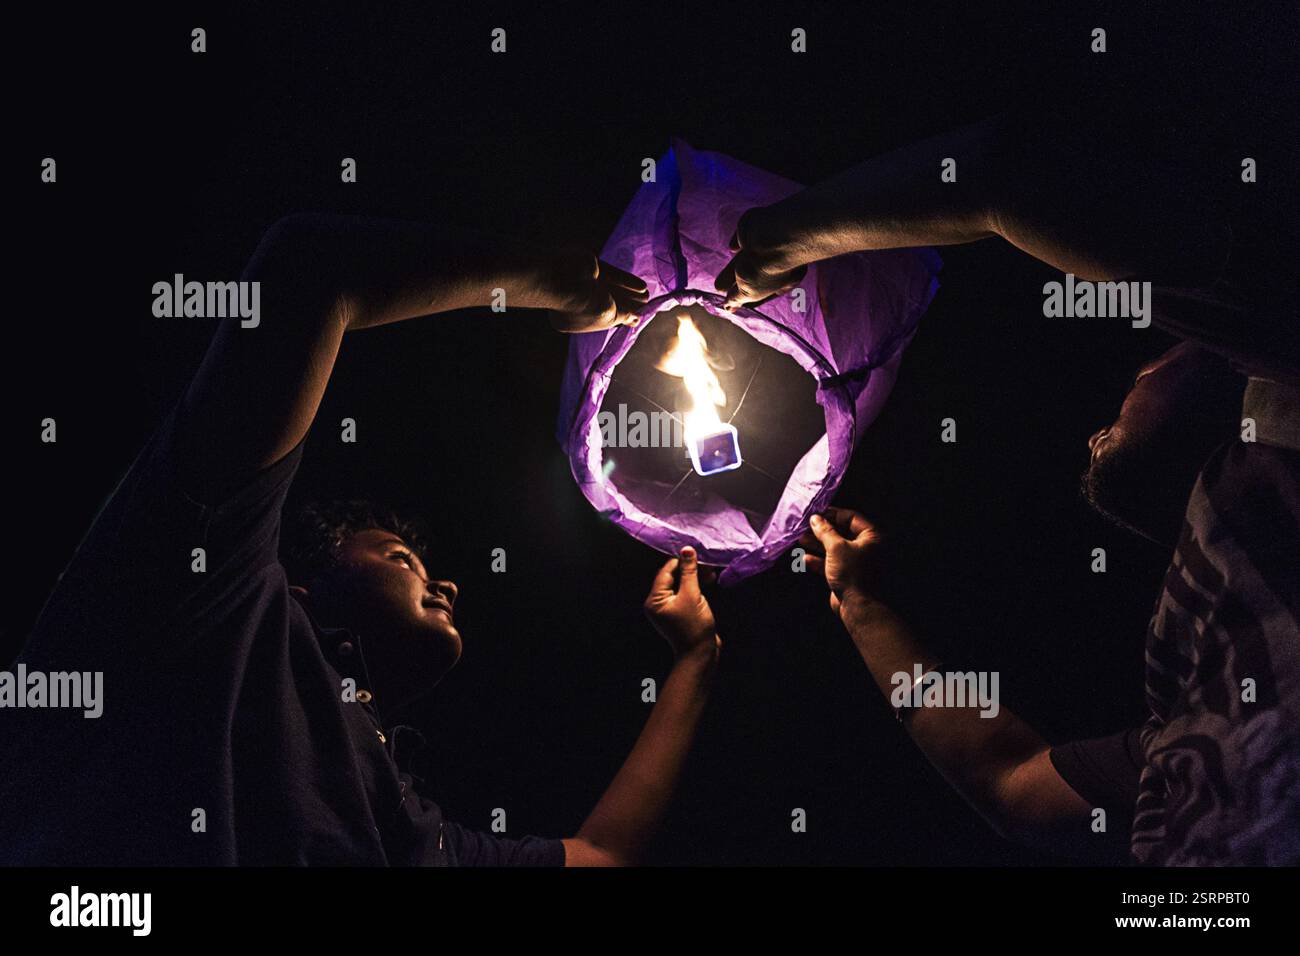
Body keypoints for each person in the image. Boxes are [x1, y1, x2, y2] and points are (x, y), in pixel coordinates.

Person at [0, 214, 721, 866]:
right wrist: (551, 282)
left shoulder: (403, 823)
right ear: (305, 590)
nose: (449, 585)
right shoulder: (212, 596)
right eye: (403, 558)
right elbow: (306, 269)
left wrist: (694, 655)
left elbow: (601, 855)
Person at [715, 60, 1300, 862]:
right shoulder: (1200, 718)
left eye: (1134, 376)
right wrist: (861, 605)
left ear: (1210, 353)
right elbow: (1010, 783)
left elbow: (1005, 178)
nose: (1097, 433)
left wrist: (778, 240)